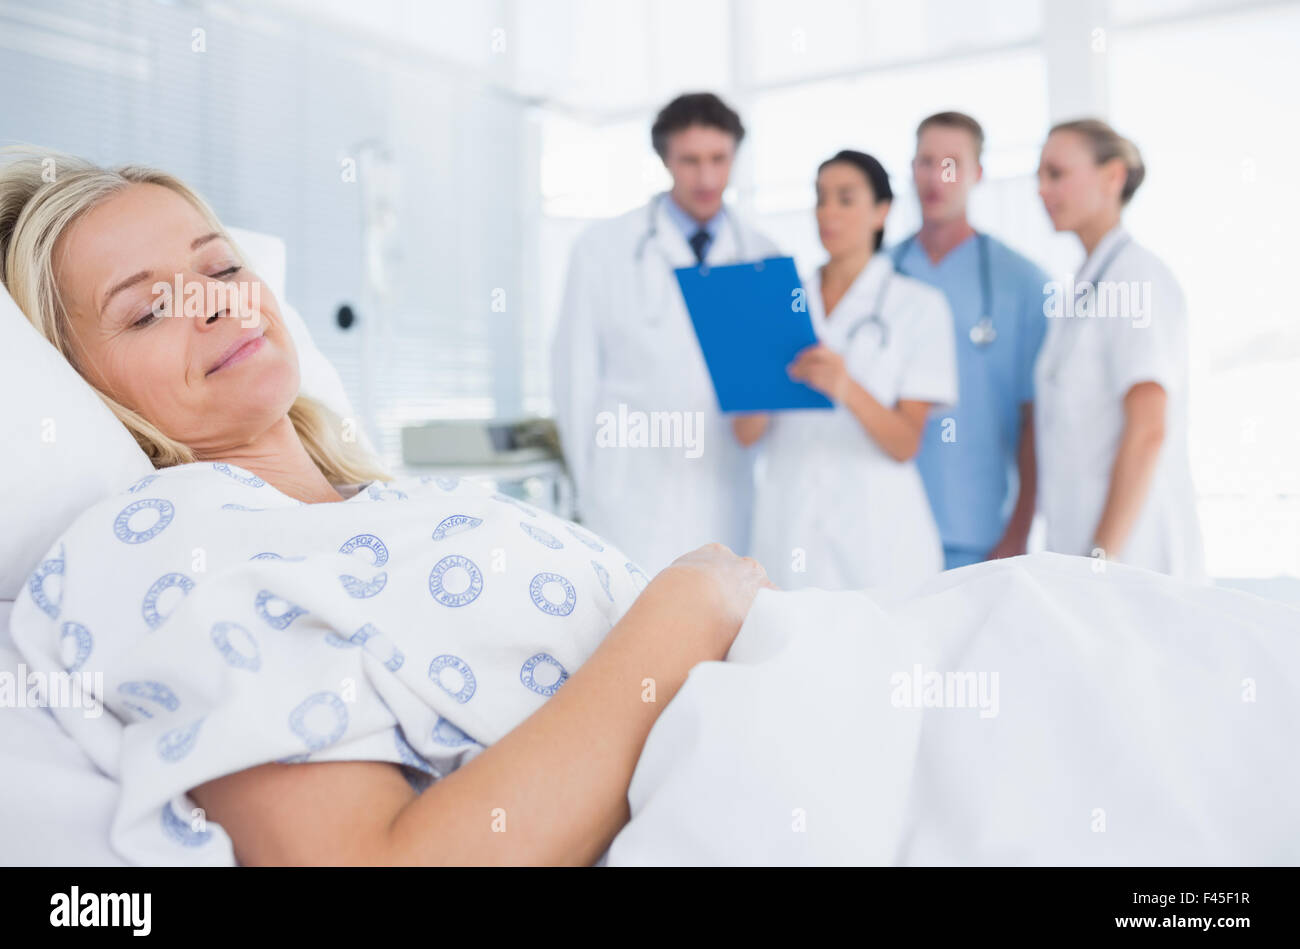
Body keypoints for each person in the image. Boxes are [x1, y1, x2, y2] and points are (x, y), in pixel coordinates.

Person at [0, 146, 773, 865]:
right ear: (80, 388)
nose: (213, 302)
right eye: (147, 311)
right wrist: (689, 610)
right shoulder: (169, 544)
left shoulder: (381, 507)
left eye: (224, 266)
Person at [550, 92, 780, 576]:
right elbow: (574, 378)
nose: (707, 178)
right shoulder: (602, 249)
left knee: (721, 614)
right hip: (628, 491)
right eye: (690, 161)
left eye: (719, 159)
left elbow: (766, 398)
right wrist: (593, 490)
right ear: (664, 160)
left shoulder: (763, 257)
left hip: (724, 488)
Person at [733, 150, 958, 591]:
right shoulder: (778, 300)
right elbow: (744, 433)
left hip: (878, 536)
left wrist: (845, 387)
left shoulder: (919, 306)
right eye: (820, 198)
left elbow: (904, 444)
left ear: (881, 211)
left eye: (845, 199)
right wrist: (764, 380)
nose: (827, 212)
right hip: (790, 522)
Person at [1034, 120, 1207, 580]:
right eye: (1040, 175)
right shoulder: (1086, 286)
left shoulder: (1136, 278)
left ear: (1112, 177)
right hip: (1087, 555)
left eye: (1056, 174)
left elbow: (1149, 427)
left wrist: (1101, 559)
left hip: (1130, 558)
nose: (1042, 189)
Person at [893, 111, 1049, 569]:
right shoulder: (878, 276)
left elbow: (1036, 420)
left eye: (951, 164)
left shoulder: (1023, 283)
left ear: (977, 173)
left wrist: (1019, 530)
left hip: (978, 531)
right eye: (926, 162)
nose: (935, 178)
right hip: (884, 524)